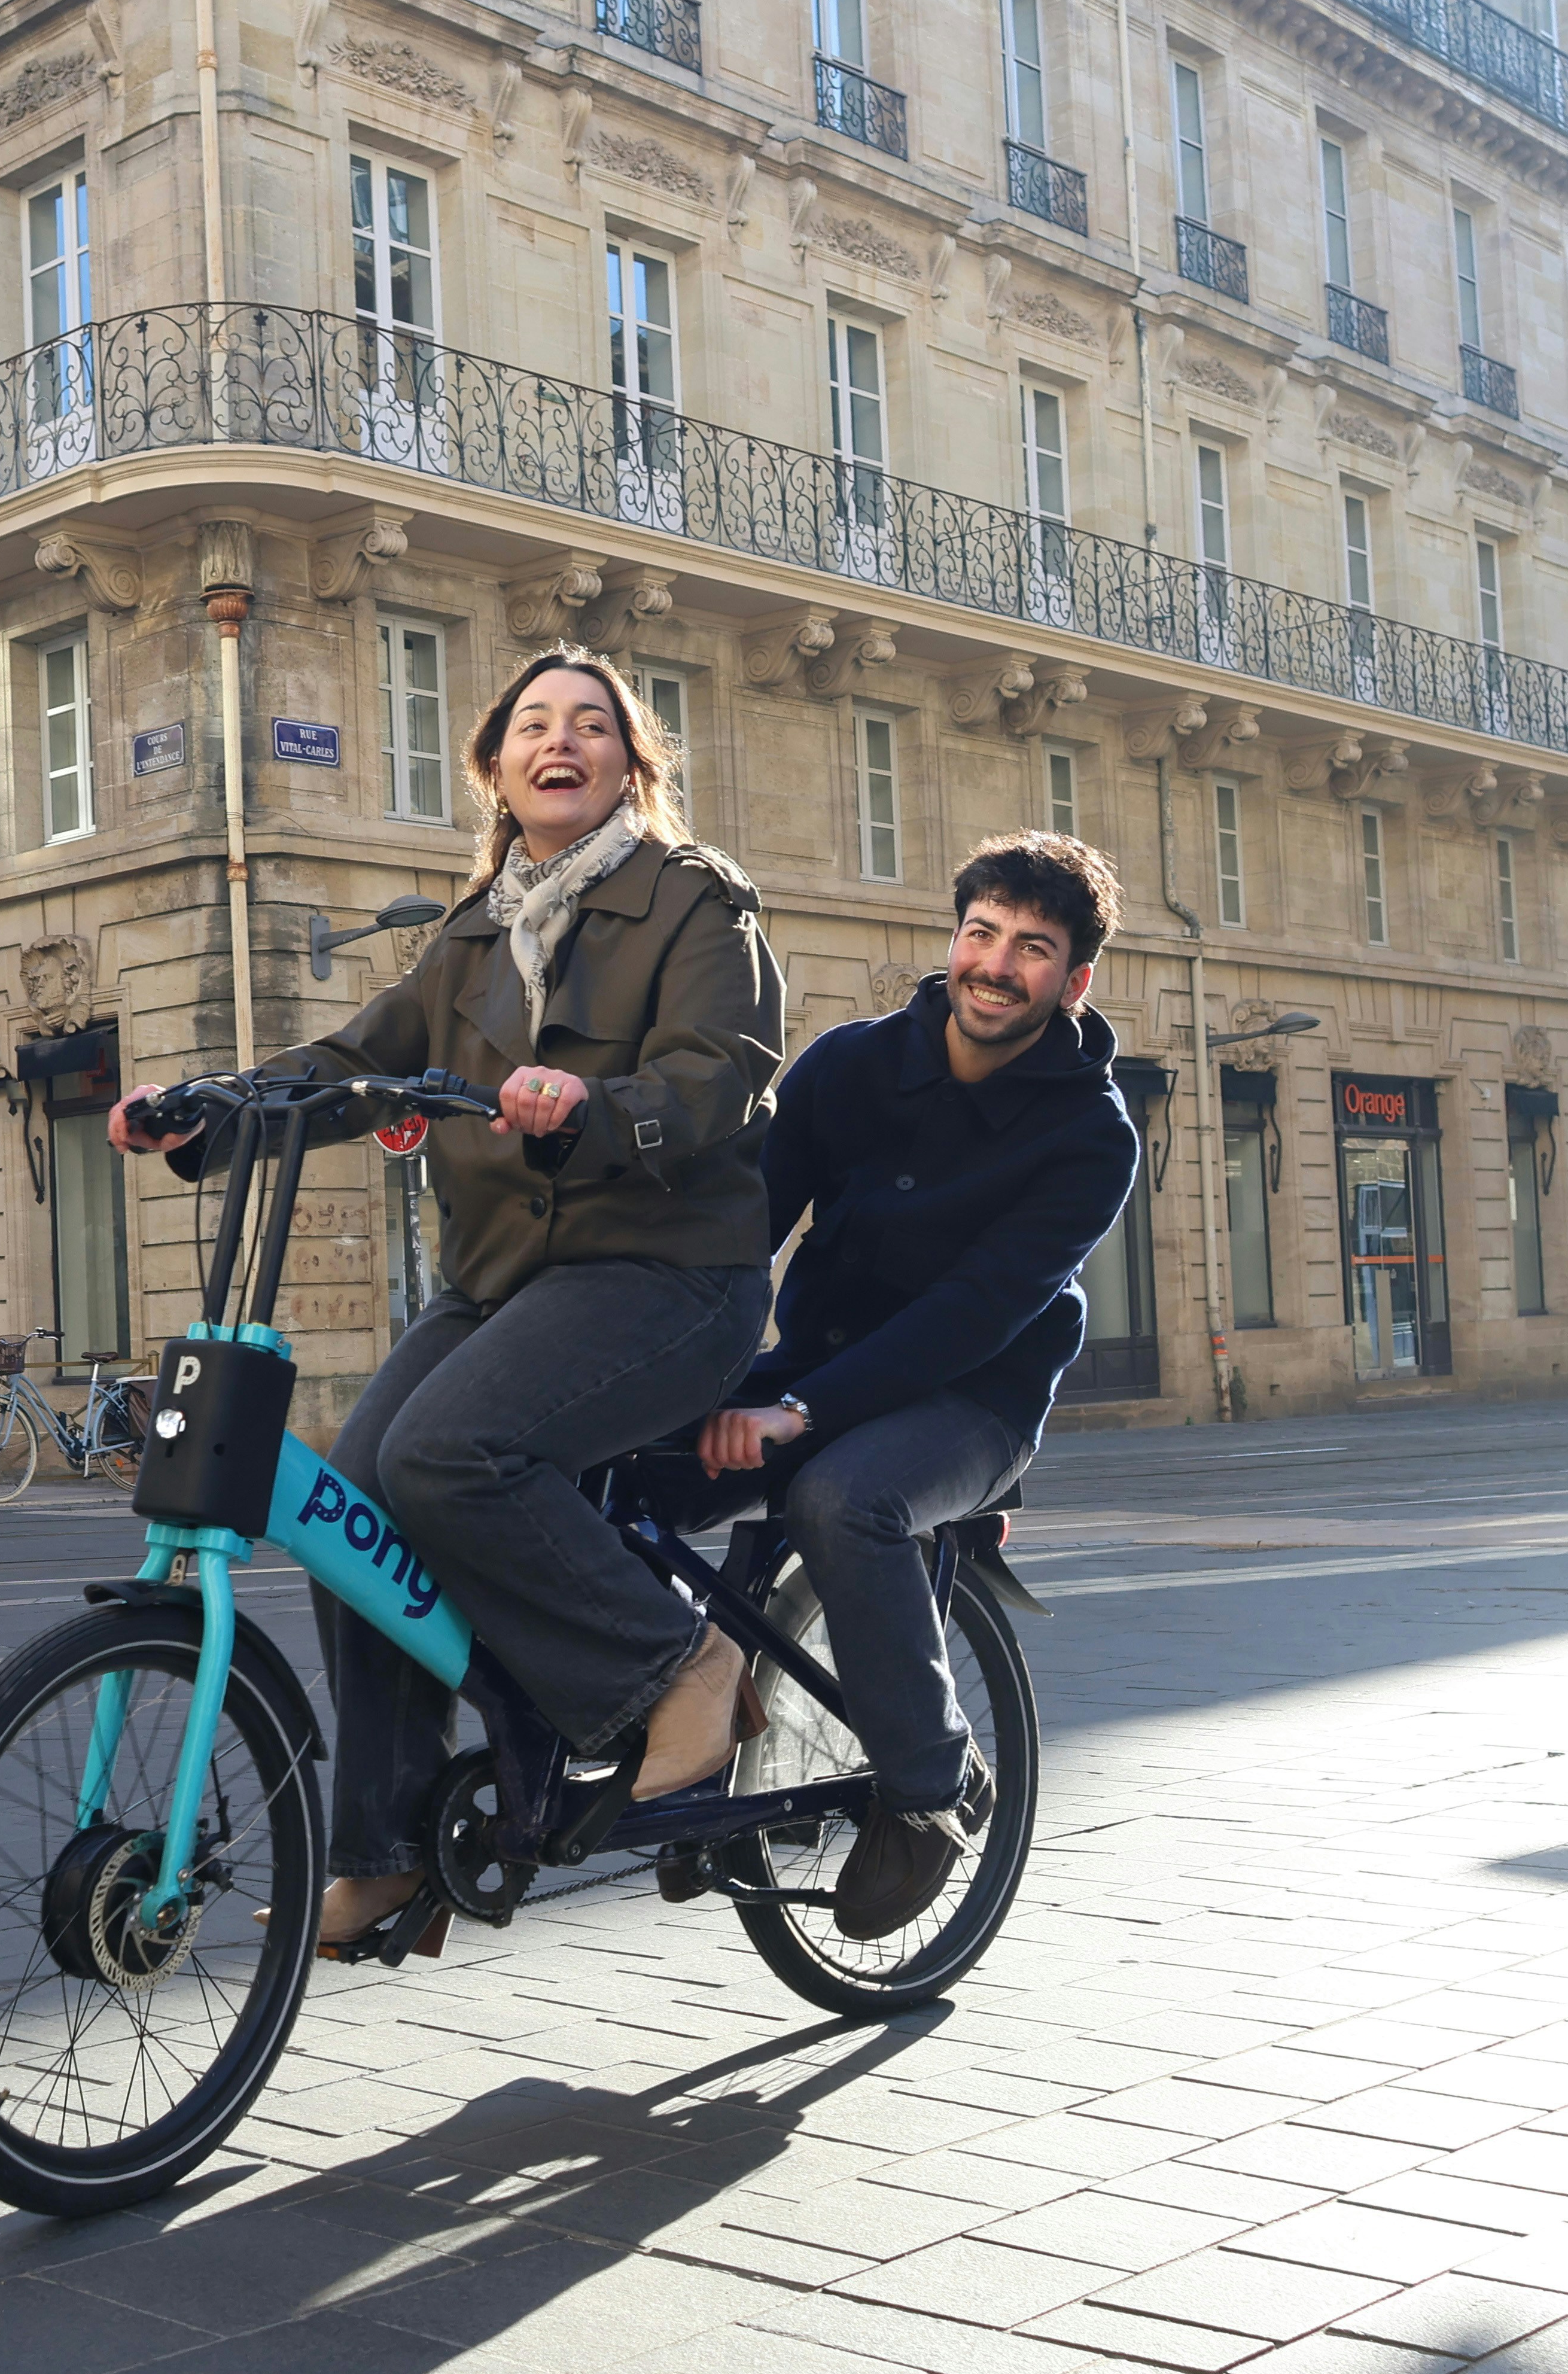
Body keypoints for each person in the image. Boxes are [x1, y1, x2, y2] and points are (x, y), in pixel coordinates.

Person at [114, 647, 785, 1949]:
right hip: (504, 1281)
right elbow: (351, 1064)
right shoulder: (472, 934)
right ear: (494, 766)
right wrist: (206, 1109)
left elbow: (722, 1074)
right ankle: (392, 1848)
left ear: (629, 765)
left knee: (445, 1454)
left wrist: (596, 1104)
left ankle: (680, 1660)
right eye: (533, 724)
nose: (560, 741)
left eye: (590, 725)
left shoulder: (695, 899)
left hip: (666, 1273)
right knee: (354, 1508)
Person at [697, 830, 1138, 1939]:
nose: (997, 965)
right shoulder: (850, 1064)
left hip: (974, 1400)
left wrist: (798, 1414)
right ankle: (676, 1722)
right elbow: (739, 1230)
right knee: (607, 1465)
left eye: (1032, 948)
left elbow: (975, 1313)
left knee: (843, 1498)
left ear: (1074, 981)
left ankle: (931, 1786)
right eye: (982, 933)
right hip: (814, 1364)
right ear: (954, 940)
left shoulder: (1093, 1134)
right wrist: (672, 1371)